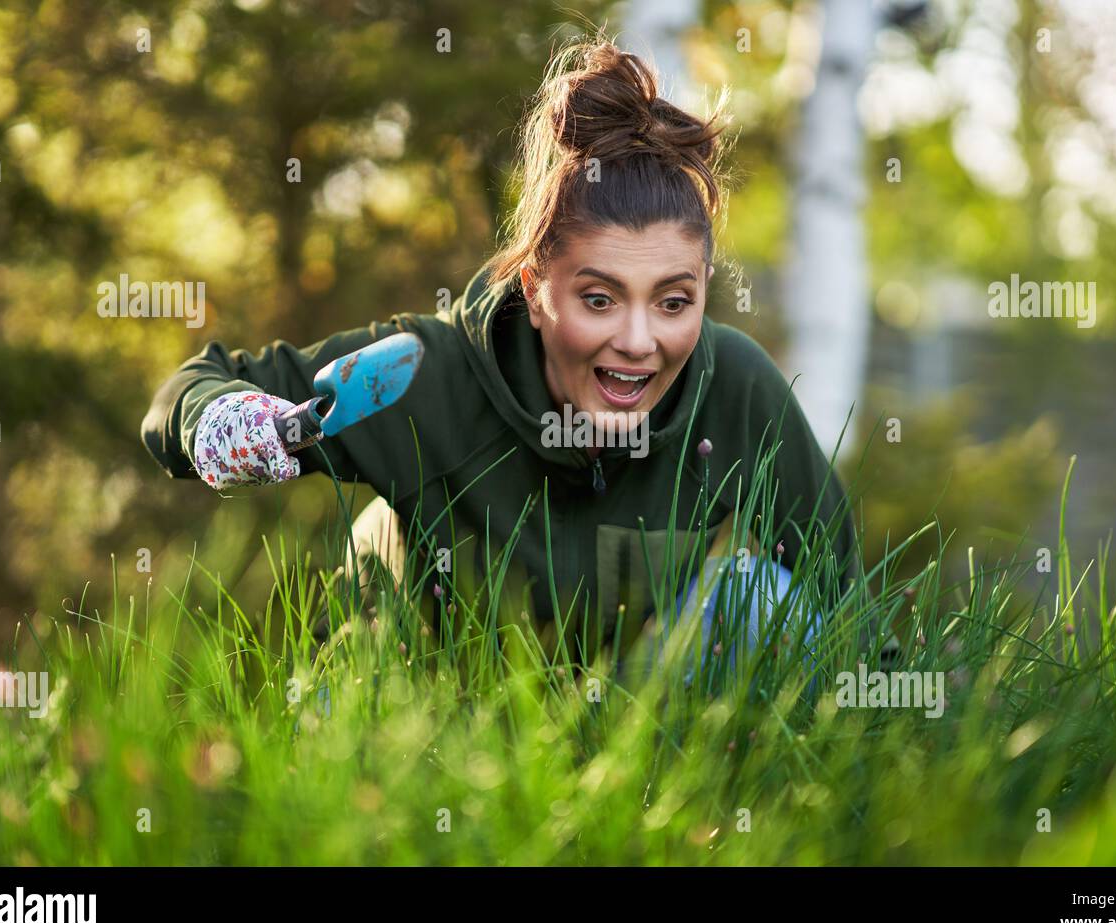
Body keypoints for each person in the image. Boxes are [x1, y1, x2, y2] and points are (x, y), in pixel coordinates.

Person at [140, 37, 869, 675]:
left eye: (673, 302)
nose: (640, 341)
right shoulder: (420, 374)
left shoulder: (731, 387)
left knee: (760, 599)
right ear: (535, 286)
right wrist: (228, 422)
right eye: (600, 299)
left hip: (610, 707)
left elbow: (846, 606)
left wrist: (898, 714)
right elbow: (190, 389)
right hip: (409, 700)